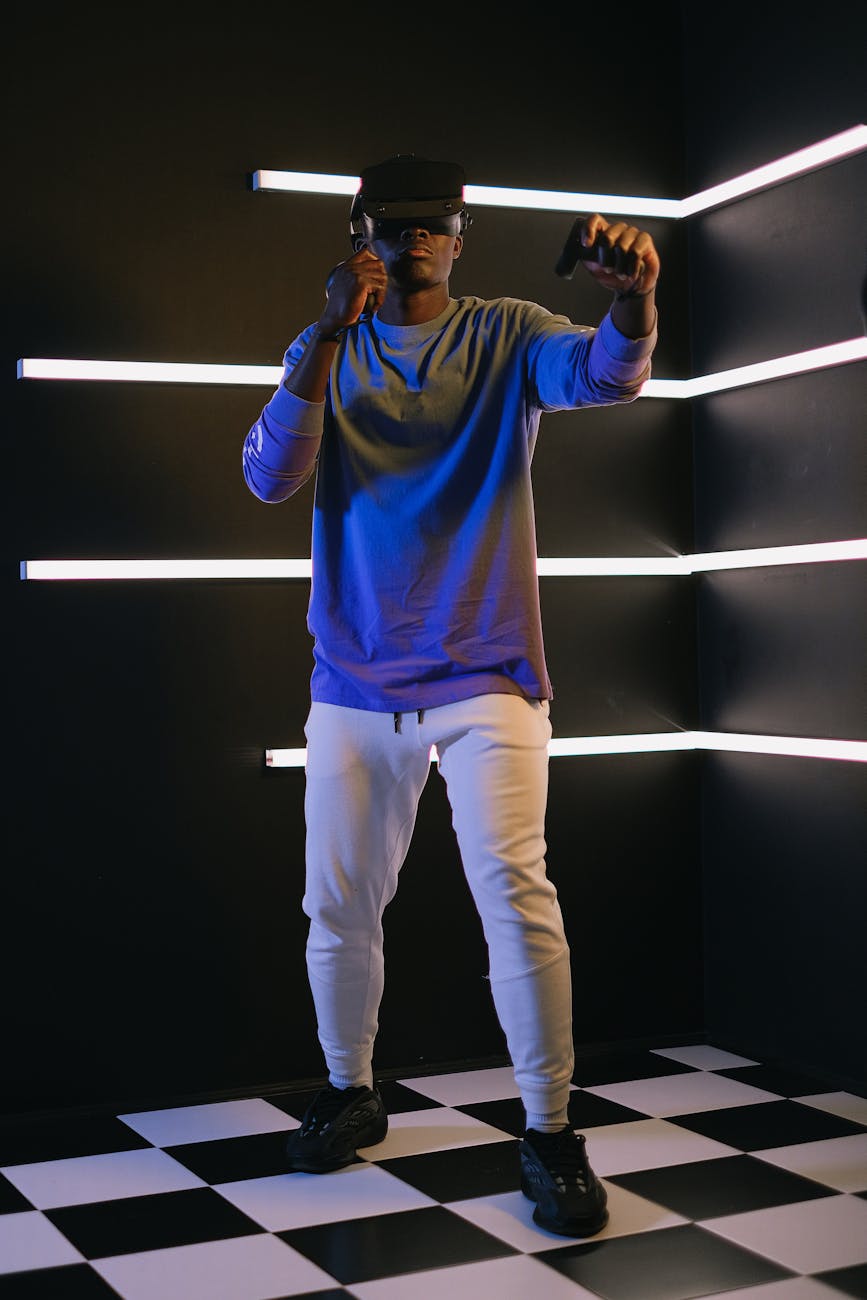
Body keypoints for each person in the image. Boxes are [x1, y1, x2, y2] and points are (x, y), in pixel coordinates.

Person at [242, 154, 659, 1238]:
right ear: (361, 231)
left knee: (517, 897)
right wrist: (328, 334)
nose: (416, 241)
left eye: (436, 225)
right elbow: (269, 475)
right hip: (353, 675)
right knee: (335, 904)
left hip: (487, 672)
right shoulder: (324, 345)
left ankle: (551, 1130)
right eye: (397, 224)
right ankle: (351, 1091)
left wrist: (633, 303)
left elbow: (604, 378)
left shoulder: (507, 330)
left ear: (462, 235)